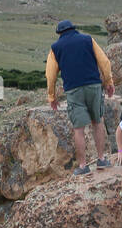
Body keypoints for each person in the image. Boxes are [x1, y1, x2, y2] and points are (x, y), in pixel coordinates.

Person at [46, 20, 115, 175]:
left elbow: (50, 75)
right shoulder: (87, 39)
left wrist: (52, 96)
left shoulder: (55, 48)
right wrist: (109, 82)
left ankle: (83, 166)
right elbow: (104, 62)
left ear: (59, 33)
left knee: (79, 129)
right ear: (74, 29)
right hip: (93, 86)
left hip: (73, 90)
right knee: (97, 122)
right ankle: (101, 159)